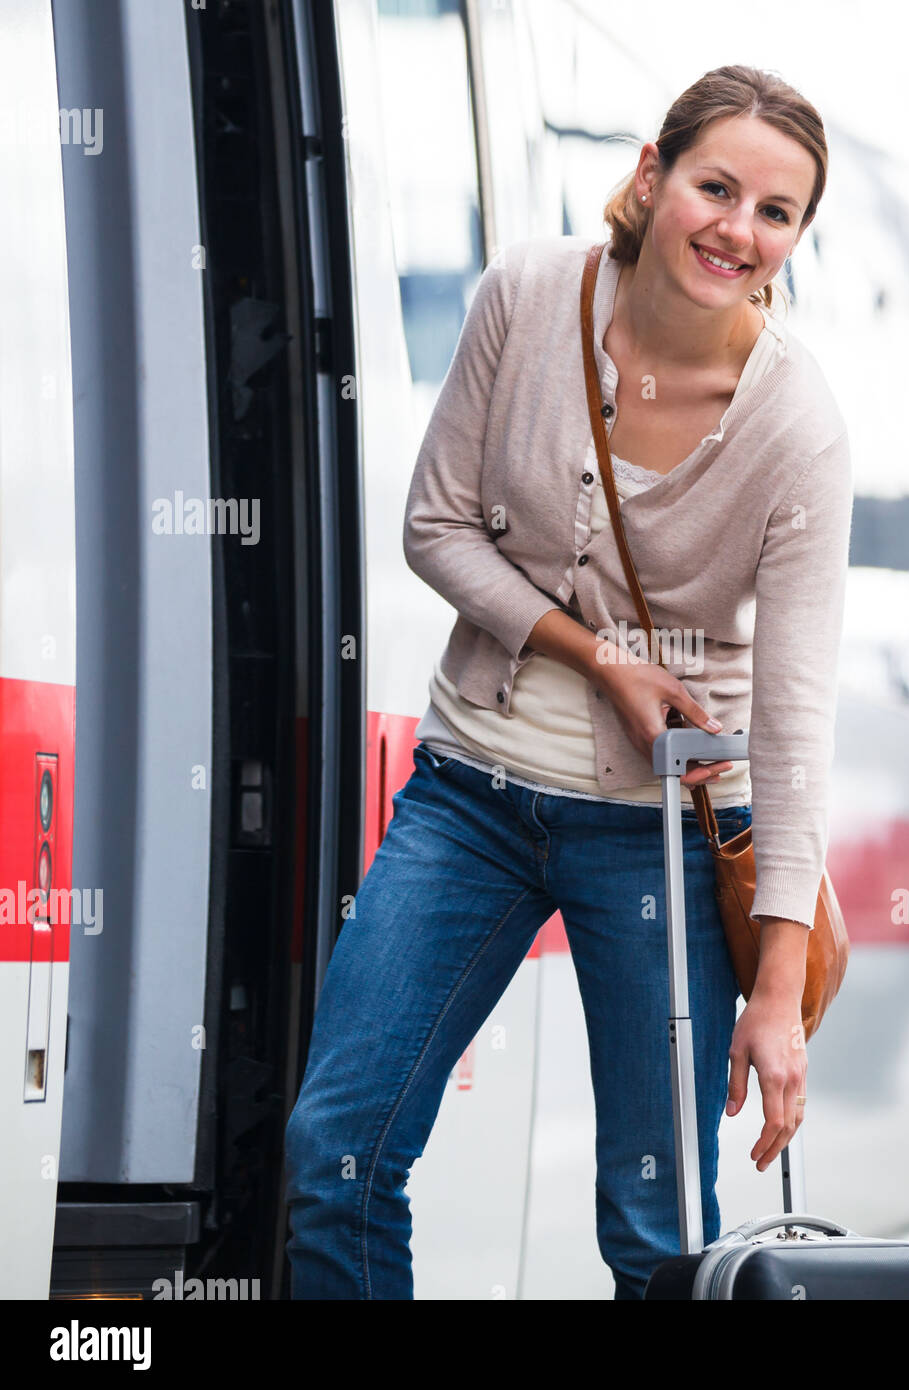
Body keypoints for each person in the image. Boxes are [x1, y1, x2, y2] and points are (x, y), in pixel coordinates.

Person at [284, 63, 852, 1300]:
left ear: (794, 240)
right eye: (714, 185)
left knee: (654, 1227)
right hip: (468, 796)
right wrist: (597, 655)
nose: (734, 229)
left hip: (656, 836)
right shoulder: (529, 295)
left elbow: (796, 722)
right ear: (651, 177)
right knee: (334, 1152)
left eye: (774, 213)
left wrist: (777, 993)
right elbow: (435, 528)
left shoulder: (796, 424)